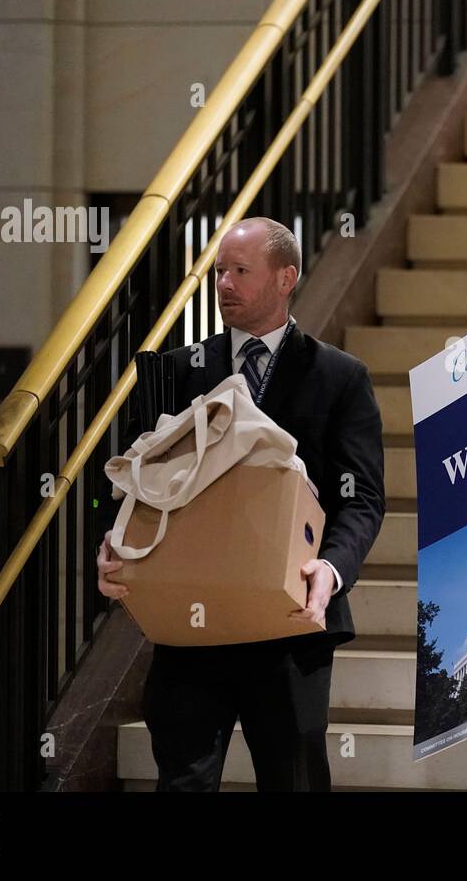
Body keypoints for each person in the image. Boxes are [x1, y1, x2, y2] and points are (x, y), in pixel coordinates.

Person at [96, 216, 385, 791]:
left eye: (240, 271)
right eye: (219, 271)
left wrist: (329, 570)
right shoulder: (176, 371)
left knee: (294, 780)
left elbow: (362, 499)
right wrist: (111, 546)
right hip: (189, 624)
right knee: (183, 781)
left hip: (291, 621)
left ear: (286, 278)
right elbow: (129, 481)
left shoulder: (339, 376)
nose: (224, 283)